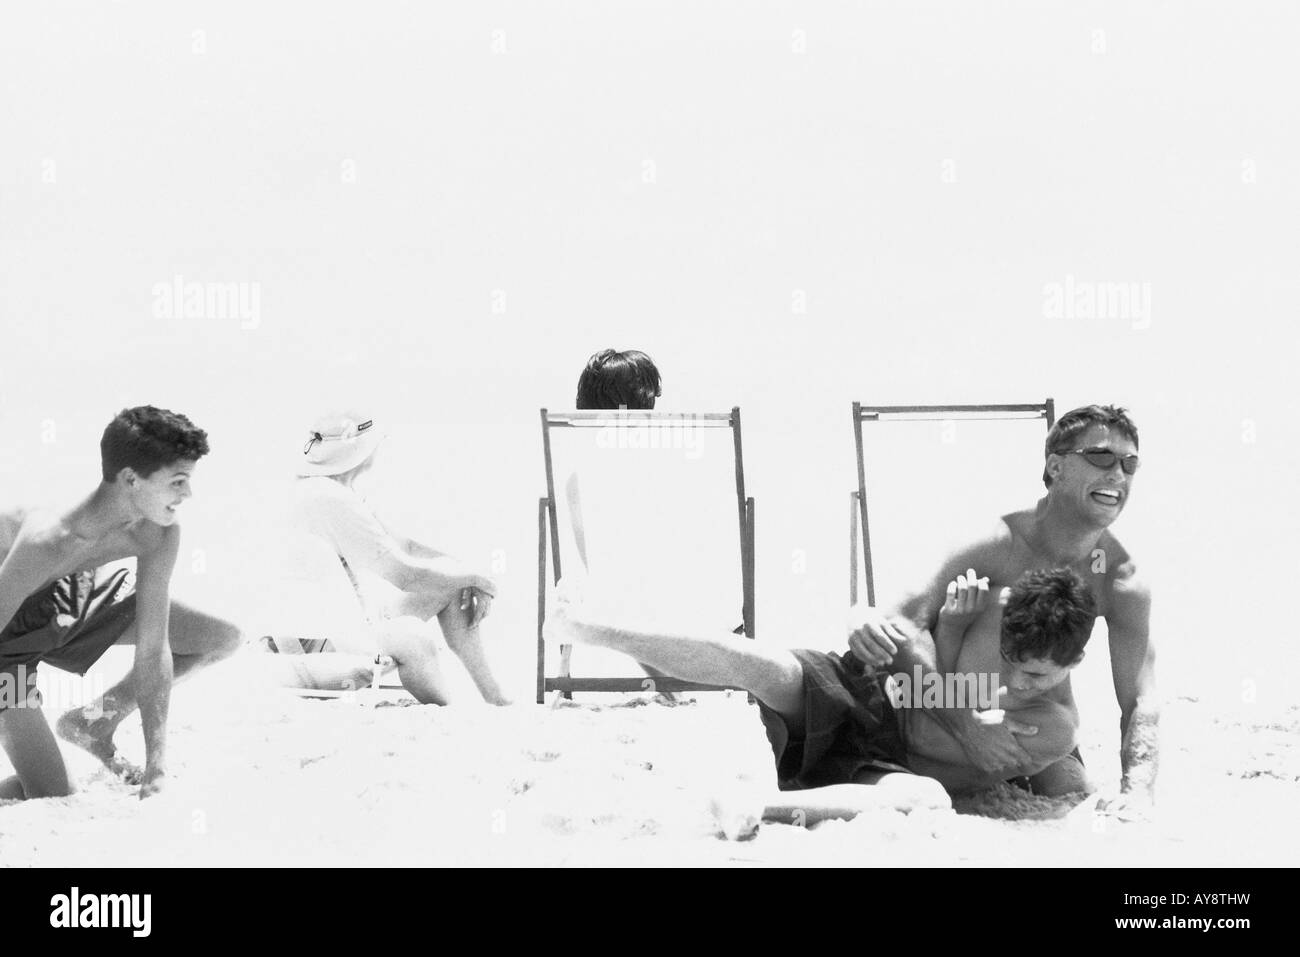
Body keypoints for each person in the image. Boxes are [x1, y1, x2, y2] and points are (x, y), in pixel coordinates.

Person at [545, 566, 1096, 832]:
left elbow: (927, 732)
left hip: (888, 762)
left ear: (1072, 665)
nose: (1021, 683)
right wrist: (946, 636)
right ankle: (589, 627)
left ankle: (755, 806)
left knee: (926, 799)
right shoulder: (987, 615)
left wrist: (946, 656)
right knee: (759, 663)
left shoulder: (1055, 729)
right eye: (1014, 665)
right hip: (866, 695)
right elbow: (902, 634)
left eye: (1038, 677)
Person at [847, 404, 1155, 808]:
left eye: (1130, 463)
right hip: (934, 708)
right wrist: (966, 726)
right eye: (1101, 457)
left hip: (1028, 712)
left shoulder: (1121, 580)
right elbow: (905, 625)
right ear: (1056, 467)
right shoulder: (996, 542)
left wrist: (1138, 791)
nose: (1118, 474)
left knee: (1071, 788)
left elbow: (1140, 698)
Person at [0, 407, 241, 801]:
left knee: (219, 639)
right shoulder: (47, 539)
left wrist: (156, 768)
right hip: (5, 638)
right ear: (131, 478)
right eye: (178, 482)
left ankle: (94, 723)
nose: (188, 494)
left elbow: (153, 647)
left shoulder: (157, 532)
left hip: (70, 598)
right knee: (53, 794)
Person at [259, 411, 510, 705]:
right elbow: (405, 576)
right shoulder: (330, 498)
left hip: (329, 626)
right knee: (417, 641)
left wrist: (468, 574)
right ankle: (453, 710)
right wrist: (481, 581)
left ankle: (496, 699)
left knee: (453, 585)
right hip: (312, 639)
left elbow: (406, 546)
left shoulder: (330, 490)